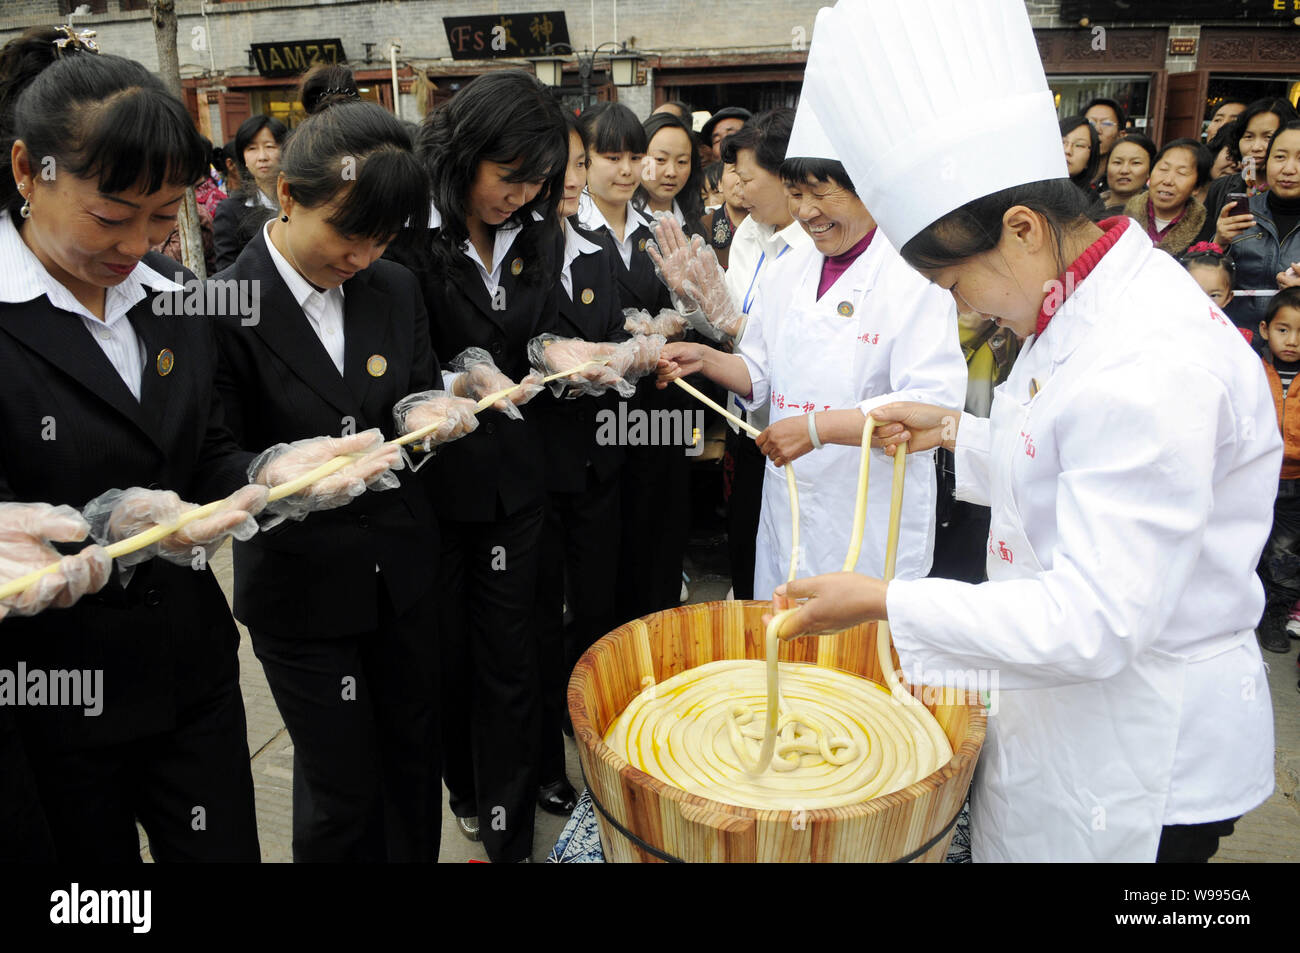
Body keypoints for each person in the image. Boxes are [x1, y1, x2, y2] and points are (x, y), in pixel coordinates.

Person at [793, 0, 1277, 863]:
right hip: (1062, 711)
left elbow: (1094, 617)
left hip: (1143, 743)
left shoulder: (1149, 361)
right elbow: (1066, 459)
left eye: (953, 282)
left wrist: (883, 600)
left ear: (1023, 228)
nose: (959, 308)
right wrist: (952, 430)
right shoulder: (1079, 304)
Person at [0, 27, 396, 862]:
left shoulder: (180, 297)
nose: (136, 245)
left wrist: (266, 472)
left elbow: (206, 450)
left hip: (191, 671)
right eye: (111, 215)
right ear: (26, 172)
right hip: (50, 689)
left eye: (158, 217)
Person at [212, 76, 469, 862]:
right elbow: (208, 454)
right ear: (287, 193)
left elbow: (412, 392)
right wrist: (272, 467)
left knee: (409, 761)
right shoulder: (223, 308)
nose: (360, 256)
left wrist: (438, 411)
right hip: (304, 590)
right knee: (341, 787)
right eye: (346, 233)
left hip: (404, 572)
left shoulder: (391, 286)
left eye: (383, 238)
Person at [656, 97, 966, 598]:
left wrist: (816, 430)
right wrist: (707, 360)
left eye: (821, 195)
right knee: (786, 639)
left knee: (855, 660)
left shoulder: (914, 275)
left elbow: (931, 409)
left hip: (869, 509)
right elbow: (759, 371)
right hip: (793, 498)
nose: (806, 213)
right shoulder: (789, 269)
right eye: (796, 195)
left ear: (866, 188)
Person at [387, 69, 565, 864]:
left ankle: (509, 829)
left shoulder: (540, 229)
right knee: (442, 663)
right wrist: (450, 382)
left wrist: (566, 359)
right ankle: (463, 785)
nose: (521, 196)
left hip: (517, 484)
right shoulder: (405, 234)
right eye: (509, 177)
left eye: (538, 180)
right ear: (463, 156)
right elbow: (391, 368)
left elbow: (532, 334)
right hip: (431, 488)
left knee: (510, 659)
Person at [530, 111, 660, 818]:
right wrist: (549, 360)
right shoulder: (514, 251)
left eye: (583, 165)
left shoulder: (597, 250)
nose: (578, 180)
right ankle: (548, 757)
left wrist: (629, 350)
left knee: (600, 607)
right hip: (533, 470)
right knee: (540, 619)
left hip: (601, 460)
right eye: (572, 166)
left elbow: (614, 332)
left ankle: (600, 735)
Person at [650, 108, 813, 600]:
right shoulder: (748, 236)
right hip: (748, 422)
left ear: (788, 176)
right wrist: (698, 307)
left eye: (745, 176)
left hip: (798, 431)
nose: (735, 188)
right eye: (731, 176)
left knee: (798, 570)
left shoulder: (814, 246)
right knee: (747, 553)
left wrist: (732, 324)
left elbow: (791, 348)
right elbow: (734, 330)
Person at [576, 101, 695, 621]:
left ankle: (658, 646)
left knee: (658, 525)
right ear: (584, 163)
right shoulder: (566, 234)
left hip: (659, 405)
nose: (626, 170)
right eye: (610, 157)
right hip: (593, 412)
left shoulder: (657, 231)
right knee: (602, 539)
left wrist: (674, 319)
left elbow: (688, 306)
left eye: (633, 157)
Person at [1254, 287, 1300, 654]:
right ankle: (1241, 609)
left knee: (1285, 553)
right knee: (1248, 544)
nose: (1293, 341)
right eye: (1283, 330)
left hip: (1295, 483)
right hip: (1254, 478)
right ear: (1265, 328)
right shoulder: (1251, 368)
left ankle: (1274, 614)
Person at [1222, 121, 1300, 331]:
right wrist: (1218, 244)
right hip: (1237, 340)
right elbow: (1204, 280)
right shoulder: (1242, 210)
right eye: (1280, 157)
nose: (1289, 169)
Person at [1197, 97, 1299, 245]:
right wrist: (1219, 242)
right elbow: (1201, 247)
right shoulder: (1221, 187)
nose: (1256, 147)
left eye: (1268, 137)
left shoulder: (1291, 189)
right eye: (1248, 137)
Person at [212, 114, 287, 270]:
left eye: (270, 146)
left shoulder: (304, 199)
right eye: (252, 148)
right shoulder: (230, 210)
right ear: (243, 158)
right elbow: (227, 270)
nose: (262, 157)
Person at [1123, 138, 1210, 257]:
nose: (1168, 181)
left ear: (1196, 187)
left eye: (1181, 173)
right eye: (1163, 169)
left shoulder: (1206, 231)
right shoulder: (1123, 217)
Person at [638, 110, 705, 238]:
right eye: (660, 159)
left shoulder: (699, 221)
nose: (671, 172)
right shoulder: (620, 219)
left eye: (682, 161)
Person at [1100, 132, 1154, 216]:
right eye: (1117, 162)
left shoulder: (1153, 214)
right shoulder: (1088, 205)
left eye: (1135, 163)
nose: (1124, 170)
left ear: (1150, 171)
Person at [1179, 241, 1236, 315]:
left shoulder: (1230, 327)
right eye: (1194, 293)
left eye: (1213, 295)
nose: (1203, 302)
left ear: (1228, 298)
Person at [1060, 115, 1102, 205]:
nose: (1067, 150)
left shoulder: (1092, 202)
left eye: (1079, 145)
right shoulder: (1028, 187)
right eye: (1062, 142)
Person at [1084, 97, 1126, 183]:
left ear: (1120, 135)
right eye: (1091, 123)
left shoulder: (1122, 179)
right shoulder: (1068, 173)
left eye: (1106, 123)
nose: (1097, 130)